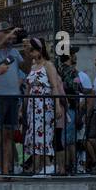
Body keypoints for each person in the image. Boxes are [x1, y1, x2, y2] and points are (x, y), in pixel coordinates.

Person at [23, 38, 65, 176]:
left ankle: (47, 165)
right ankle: (41, 166)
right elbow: (28, 89)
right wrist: (22, 107)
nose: (31, 53)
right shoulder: (33, 67)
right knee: (34, 135)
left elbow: (54, 86)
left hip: (44, 105)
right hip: (32, 106)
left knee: (43, 135)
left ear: (40, 50)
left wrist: (57, 105)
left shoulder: (48, 65)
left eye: (33, 51)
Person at [0, 22, 26, 176]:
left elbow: (24, 69)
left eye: (11, 33)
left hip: (13, 98)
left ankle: (6, 168)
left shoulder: (14, 52)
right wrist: (9, 31)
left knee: (8, 134)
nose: (10, 36)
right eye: (6, 32)